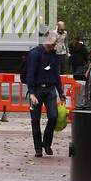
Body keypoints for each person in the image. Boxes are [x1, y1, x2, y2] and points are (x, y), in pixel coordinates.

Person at [25, 30, 65, 158]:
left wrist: (60, 91)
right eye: (54, 40)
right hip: (36, 90)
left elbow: (56, 74)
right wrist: (31, 93)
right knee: (35, 120)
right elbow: (30, 74)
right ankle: (38, 148)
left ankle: (46, 143)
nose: (56, 43)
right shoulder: (35, 54)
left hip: (50, 90)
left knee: (53, 116)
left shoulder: (53, 55)